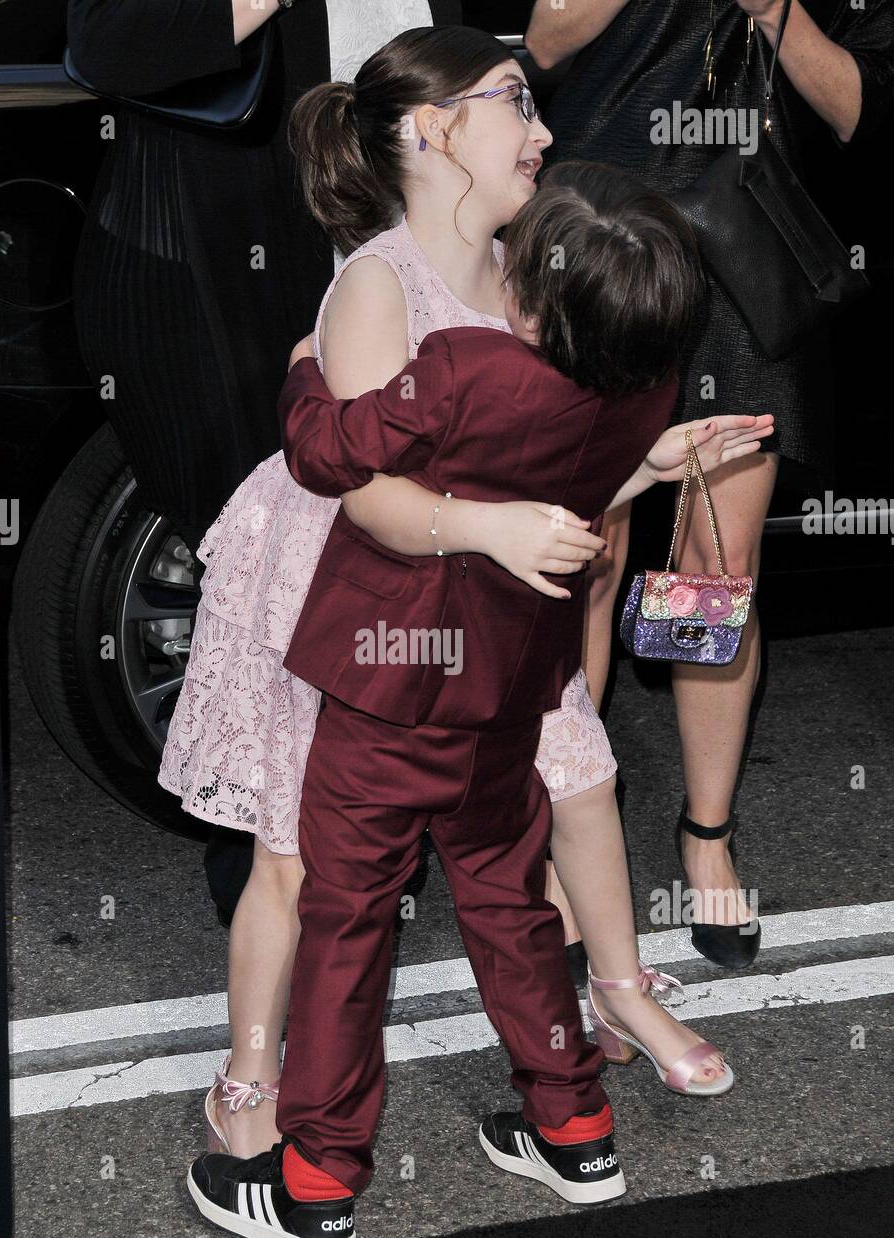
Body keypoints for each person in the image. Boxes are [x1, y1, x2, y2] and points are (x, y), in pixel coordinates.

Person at [162, 29, 758, 1165]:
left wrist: (646, 459)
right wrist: (490, 524)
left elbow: (530, 439)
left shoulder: (527, 260)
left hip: (487, 611)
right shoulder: (377, 283)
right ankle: (251, 1070)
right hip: (351, 599)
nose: (542, 132)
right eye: (515, 106)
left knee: (573, 781)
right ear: (432, 131)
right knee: (301, 859)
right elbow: (367, 498)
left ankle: (609, 995)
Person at [66, 0, 463, 928]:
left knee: (382, 568)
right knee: (262, 578)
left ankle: (365, 844)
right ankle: (269, 870)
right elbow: (107, 42)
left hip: (404, 263)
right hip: (218, 282)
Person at [525, 0, 894, 967]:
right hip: (596, 249)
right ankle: (564, 838)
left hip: (735, 257)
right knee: (586, 562)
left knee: (711, 576)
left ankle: (707, 840)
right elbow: (548, 38)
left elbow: (860, 106)